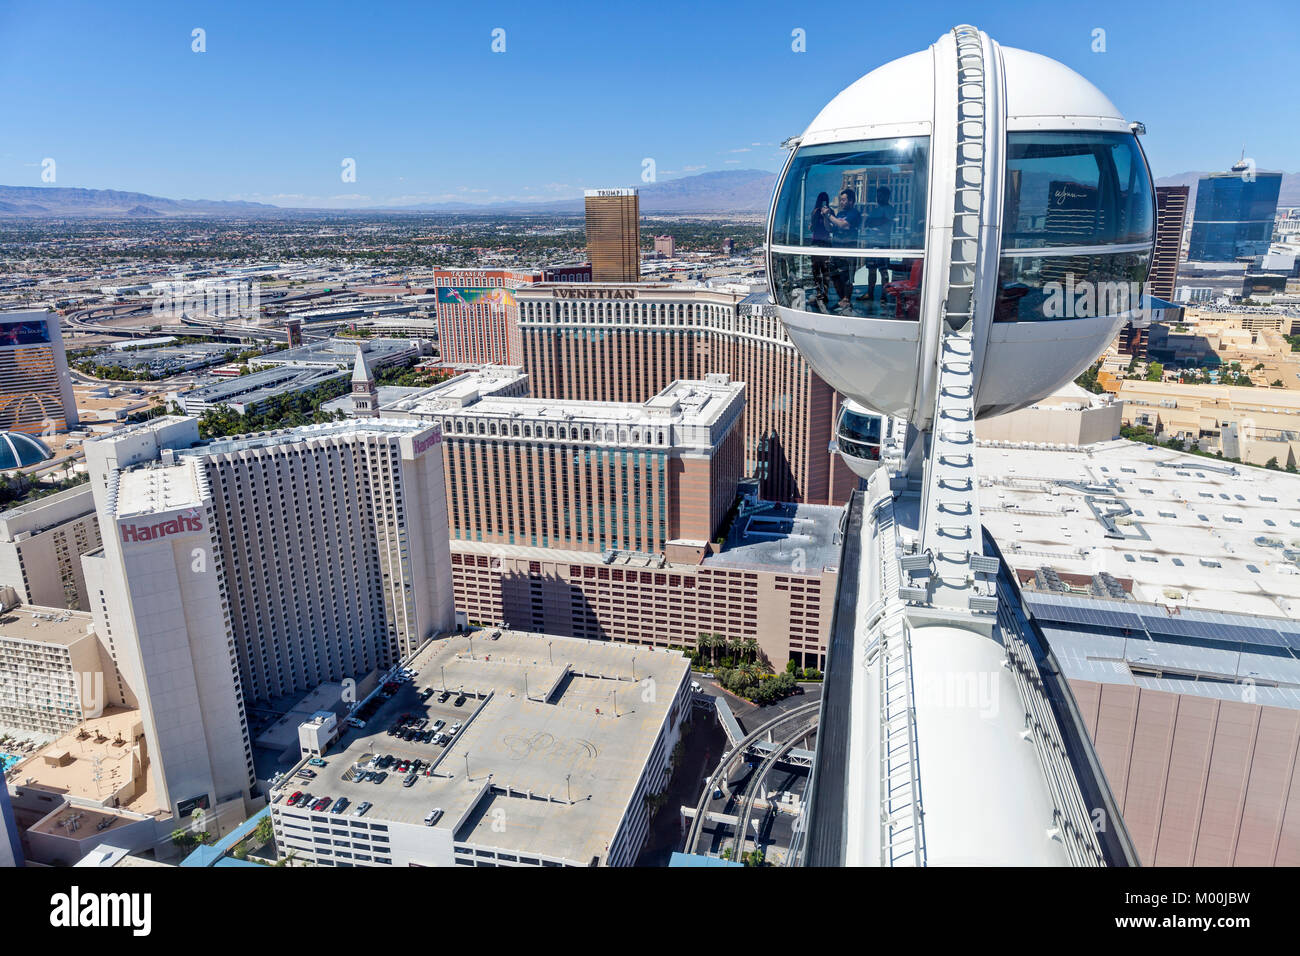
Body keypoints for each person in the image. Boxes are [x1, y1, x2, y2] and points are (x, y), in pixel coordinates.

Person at [857, 186, 894, 307]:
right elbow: (867, 222)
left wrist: (874, 221)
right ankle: (870, 293)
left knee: (883, 270)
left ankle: (884, 295)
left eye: (881, 195)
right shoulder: (875, 210)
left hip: (883, 244)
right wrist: (874, 221)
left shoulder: (889, 209)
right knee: (871, 269)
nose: (879, 198)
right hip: (871, 243)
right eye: (878, 195)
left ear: (887, 196)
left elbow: (880, 221)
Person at [826, 188, 862, 312]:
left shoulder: (854, 214)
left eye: (844, 200)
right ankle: (842, 300)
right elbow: (831, 229)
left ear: (851, 201)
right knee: (835, 276)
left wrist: (830, 215)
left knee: (846, 278)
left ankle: (846, 299)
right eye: (841, 200)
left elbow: (843, 225)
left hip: (848, 252)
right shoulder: (840, 214)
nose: (841, 202)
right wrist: (826, 218)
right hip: (836, 250)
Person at [808, 191, 832, 310]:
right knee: (816, 269)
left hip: (825, 243)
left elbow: (829, 228)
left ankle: (825, 293)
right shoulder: (815, 212)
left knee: (825, 270)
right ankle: (818, 291)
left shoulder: (829, 212)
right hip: (816, 242)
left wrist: (826, 216)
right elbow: (812, 228)